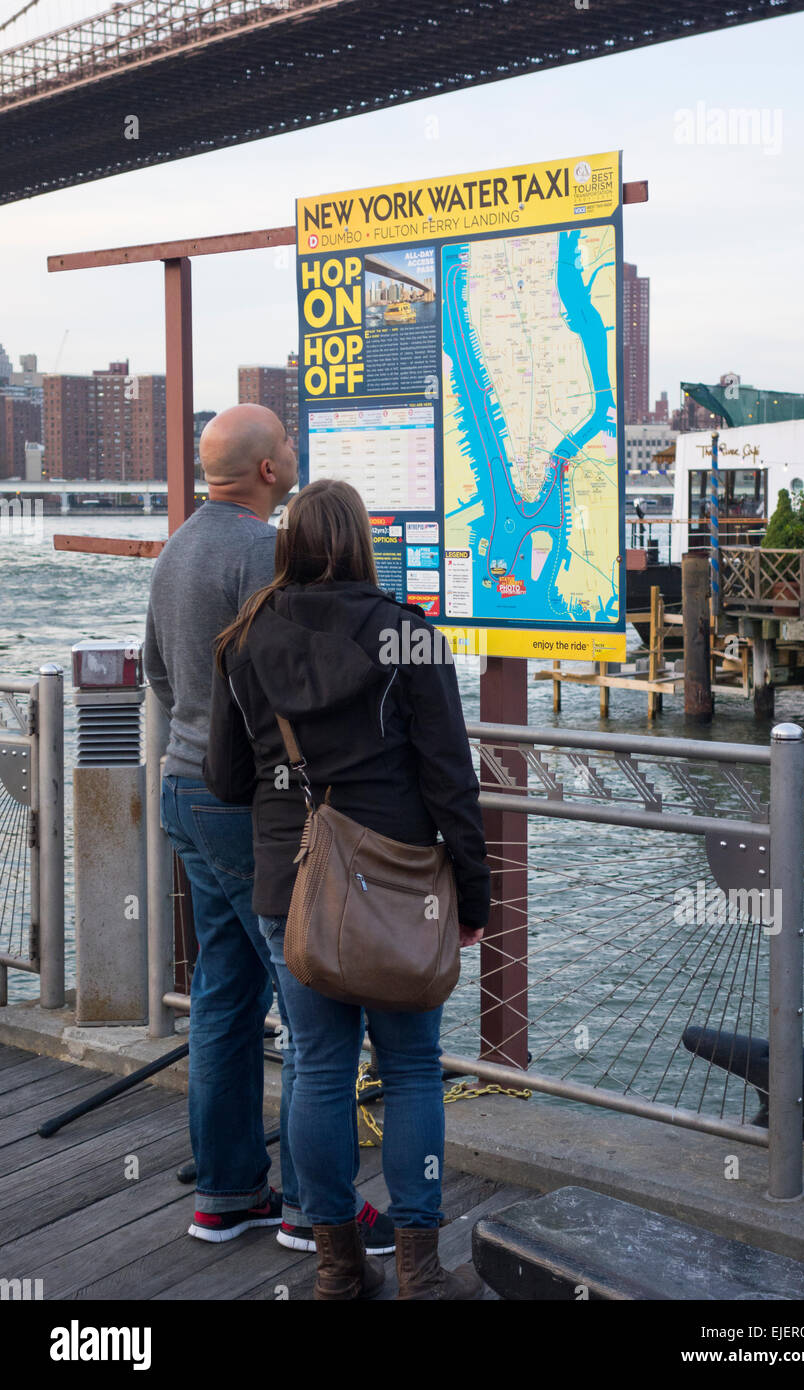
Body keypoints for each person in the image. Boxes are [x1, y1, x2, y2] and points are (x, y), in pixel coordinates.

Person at [205, 479, 491, 1300]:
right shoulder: (409, 639)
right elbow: (451, 784)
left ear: (287, 543)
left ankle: (336, 1267)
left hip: (289, 890)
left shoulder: (244, 639)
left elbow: (226, 780)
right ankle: (420, 1268)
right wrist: (471, 900)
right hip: (399, 891)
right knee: (409, 1070)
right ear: (364, 542)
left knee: (319, 1068)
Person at [144, 408, 393, 1253]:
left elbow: (155, 672)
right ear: (263, 469)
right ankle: (314, 1211)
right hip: (254, 803)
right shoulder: (263, 554)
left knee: (222, 994)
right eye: (285, 439)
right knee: (310, 1002)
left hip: (184, 788)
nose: (295, 447)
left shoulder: (177, 547)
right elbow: (305, 678)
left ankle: (225, 1194)